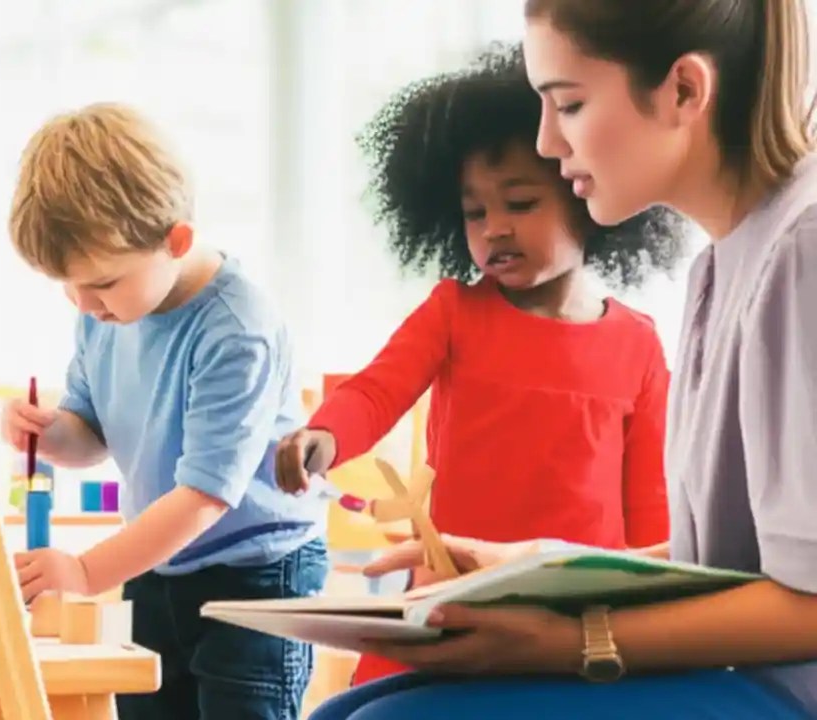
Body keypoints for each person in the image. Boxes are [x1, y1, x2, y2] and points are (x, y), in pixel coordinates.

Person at [309, 0, 817, 717]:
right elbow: (735, 563)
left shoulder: (801, 250)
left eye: (568, 104)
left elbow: (809, 601)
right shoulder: (723, 265)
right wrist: (538, 566)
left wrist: (567, 639)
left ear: (682, 90)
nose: (547, 141)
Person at [274, 42, 684, 687]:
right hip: (449, 600)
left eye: (519, 204)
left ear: (586, 196)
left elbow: (650, 509)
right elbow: (377, 391)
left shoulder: (639, 344)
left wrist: (650, 616)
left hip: (569, 619)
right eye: (475, 212)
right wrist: (323, 435)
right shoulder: (453, 312)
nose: (493, 227)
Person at [3, 102, 328, 720]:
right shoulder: (104, 312)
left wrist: (83, 571)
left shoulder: (237, 328)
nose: (84, 303)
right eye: (67, 286)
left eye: (99, 283)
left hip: (258, 576)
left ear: (176, 240)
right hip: (160, 562)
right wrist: (48, 435)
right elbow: (89, 431)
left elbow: (206, 495)